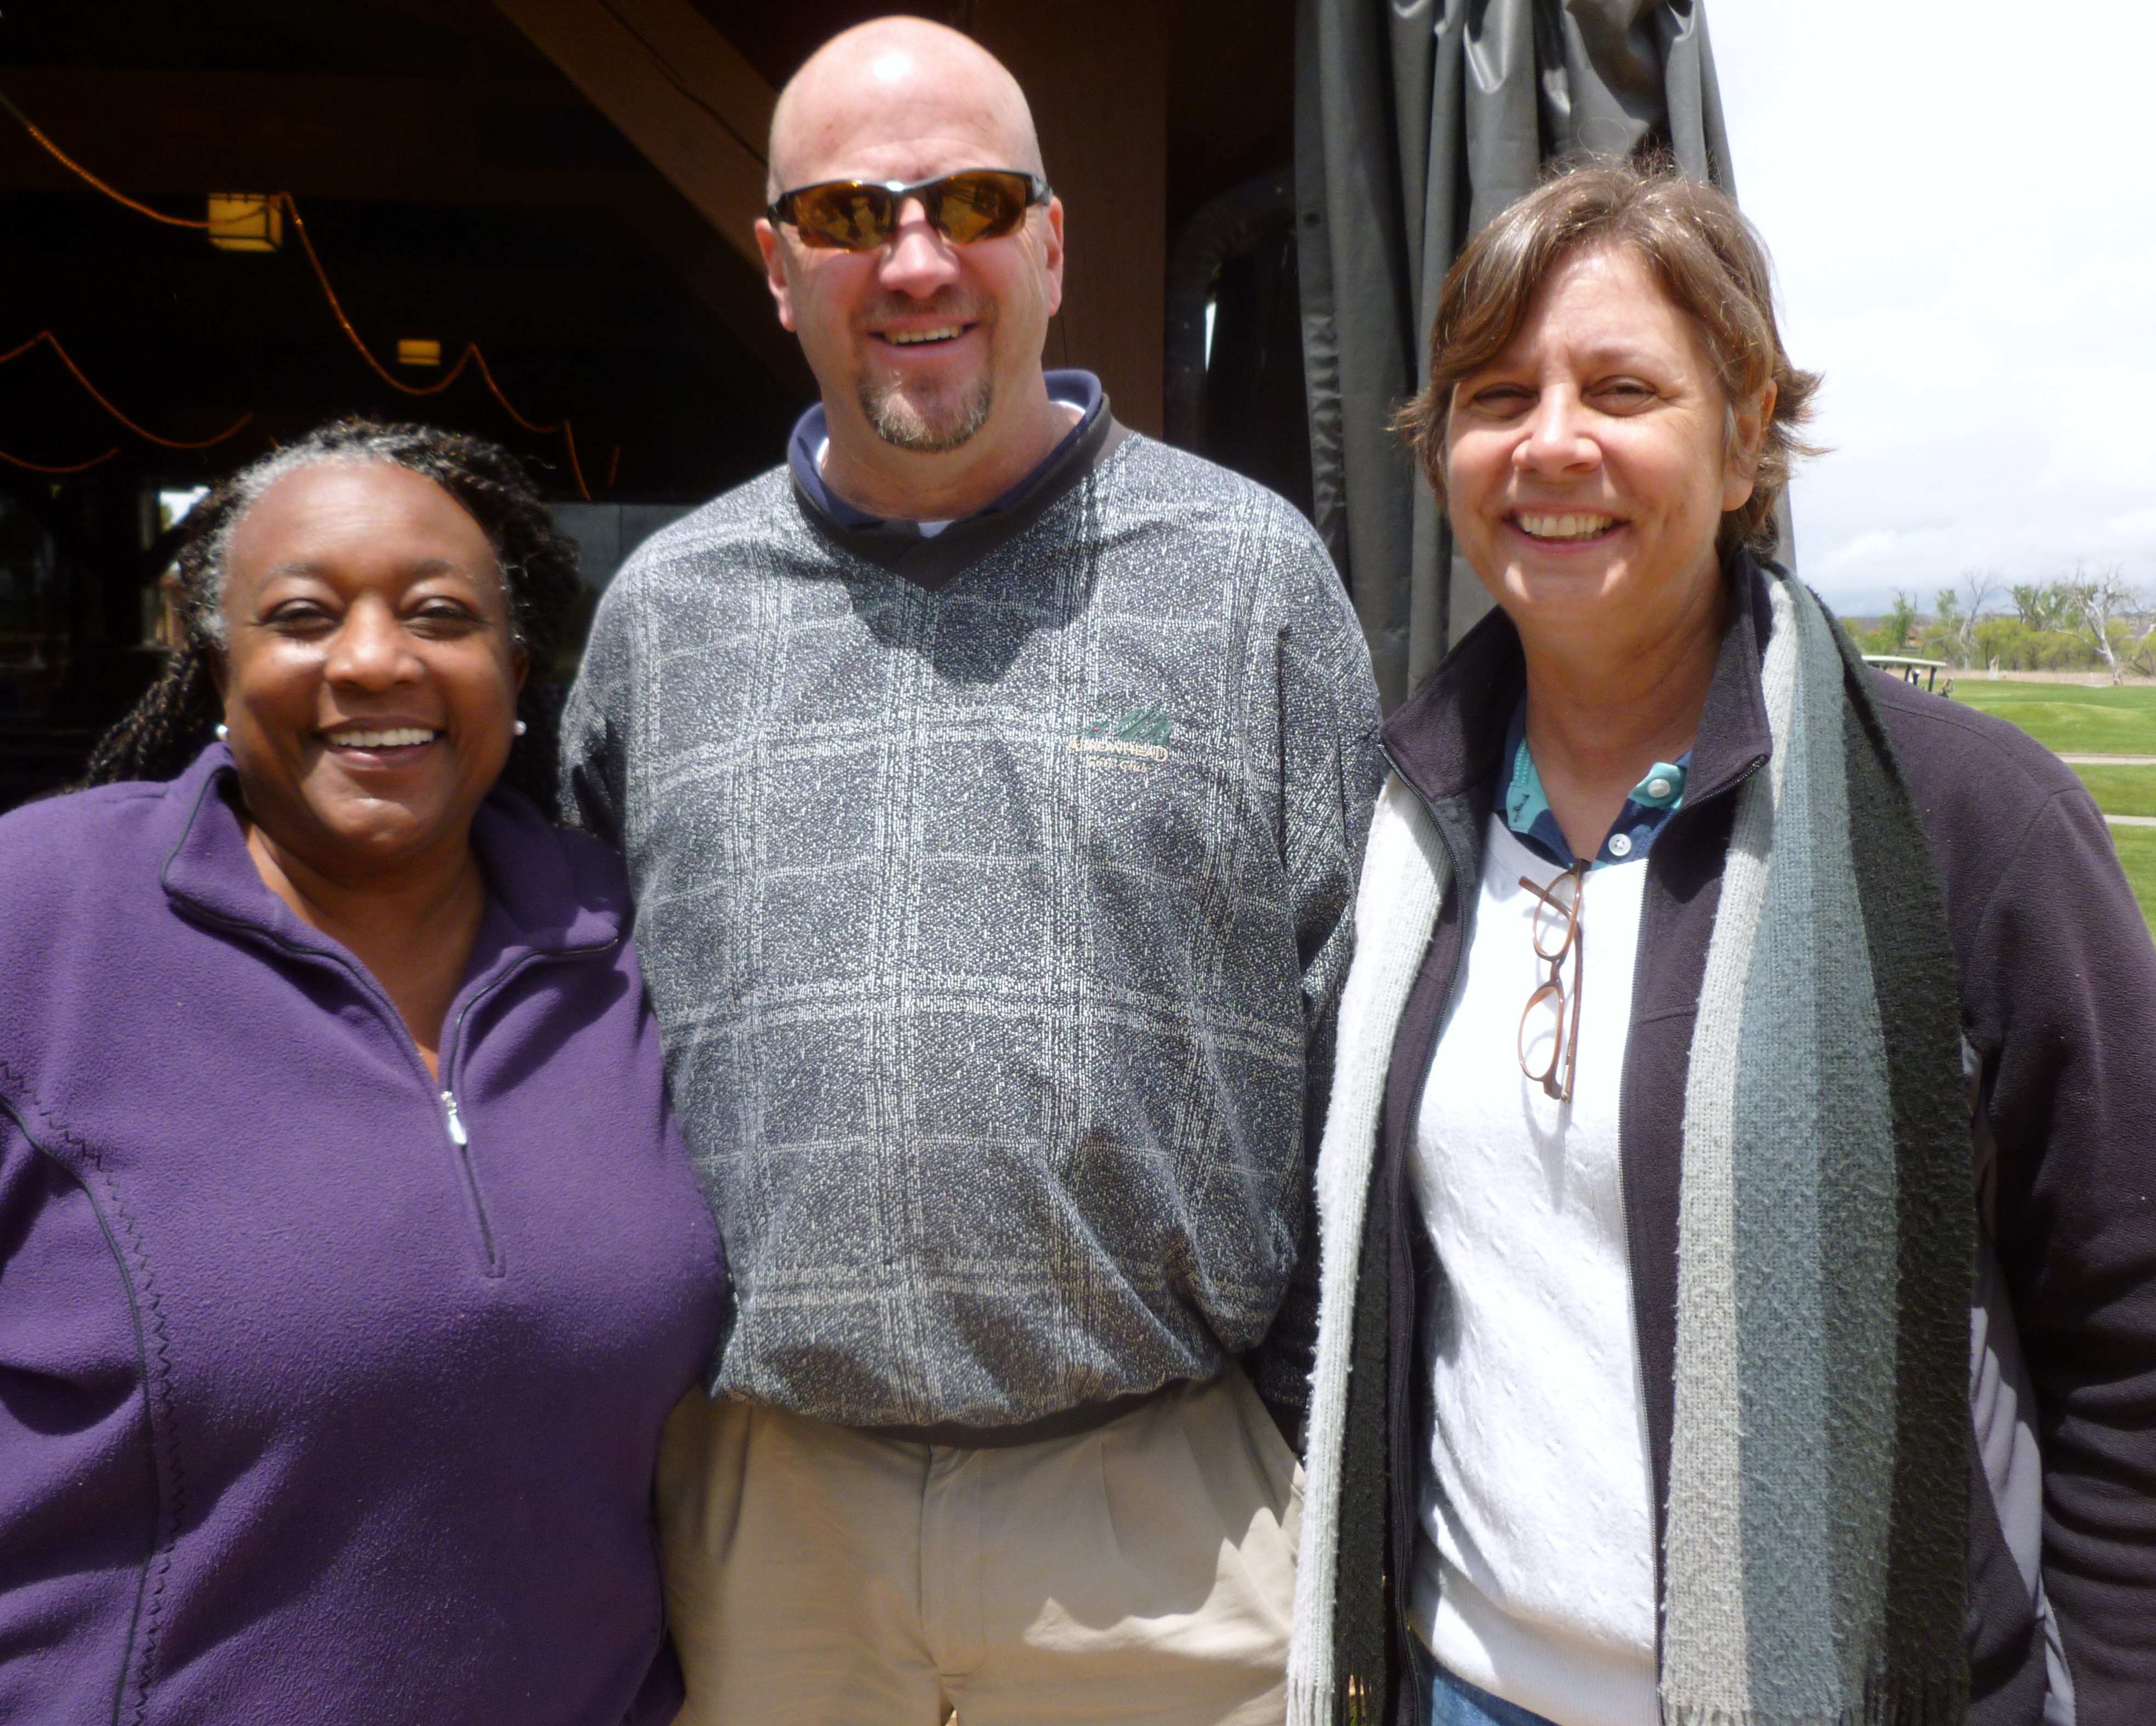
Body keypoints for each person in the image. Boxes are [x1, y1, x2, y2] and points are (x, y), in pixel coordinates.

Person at [560, 16, 1382, 1725]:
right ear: (777, 264)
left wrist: (1315, 1451)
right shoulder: (663, 620)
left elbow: (1361, 1044)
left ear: (1054, 247)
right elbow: (574, 1038)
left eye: (975, 202)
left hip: (1164, 1520)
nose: (916, 258)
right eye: (853, 217)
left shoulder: (1253, 579)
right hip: (765, 1528)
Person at [1289, 162, 2156, 1726]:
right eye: (1498, 393)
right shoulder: (1403, 823)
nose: (1552, 442)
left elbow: (2132, 1332)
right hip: (1454, 1688)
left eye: (1622, 386)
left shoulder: (1966, 824)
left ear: (1747, 428)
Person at [0, 421, 727, 1724]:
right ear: (218, 668)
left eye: (440, 615)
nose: (376, 659)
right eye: (303, 616)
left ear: (515, 671)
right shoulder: (39, 920)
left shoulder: (636, 946)